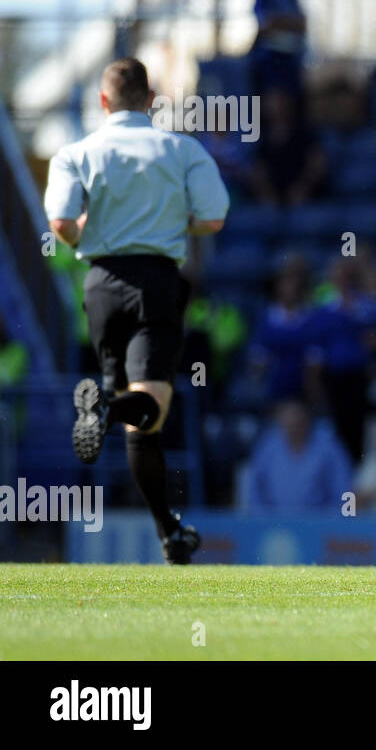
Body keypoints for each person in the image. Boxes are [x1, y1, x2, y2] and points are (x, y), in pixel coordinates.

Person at [44, 57, 229, 564]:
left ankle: (169, 532)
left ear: (103, 102)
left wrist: (86, 233)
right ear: (152, 101)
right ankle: (105, 408)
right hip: (155, 282)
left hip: (100, 283)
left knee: (134, 420)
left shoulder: (75, 152)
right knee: (149, 410)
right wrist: (173, 224)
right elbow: (213, 218)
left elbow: (61, 221)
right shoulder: (180, 149)